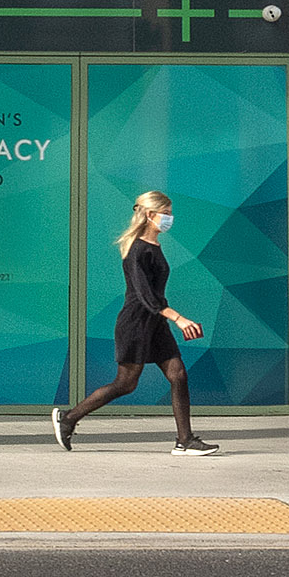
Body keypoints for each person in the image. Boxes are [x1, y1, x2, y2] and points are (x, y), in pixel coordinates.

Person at [55, 189, 215, 453]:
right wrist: (178, 318)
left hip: (154, 323)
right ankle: (69, 418)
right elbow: (144, 295)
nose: (170, 218)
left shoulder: (153, 245)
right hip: (136, 324)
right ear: (151, 215)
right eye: (166, 214)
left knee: (178, 374)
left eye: (170, 214)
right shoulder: (137, 249)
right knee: (125, 384)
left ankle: (185, 441)